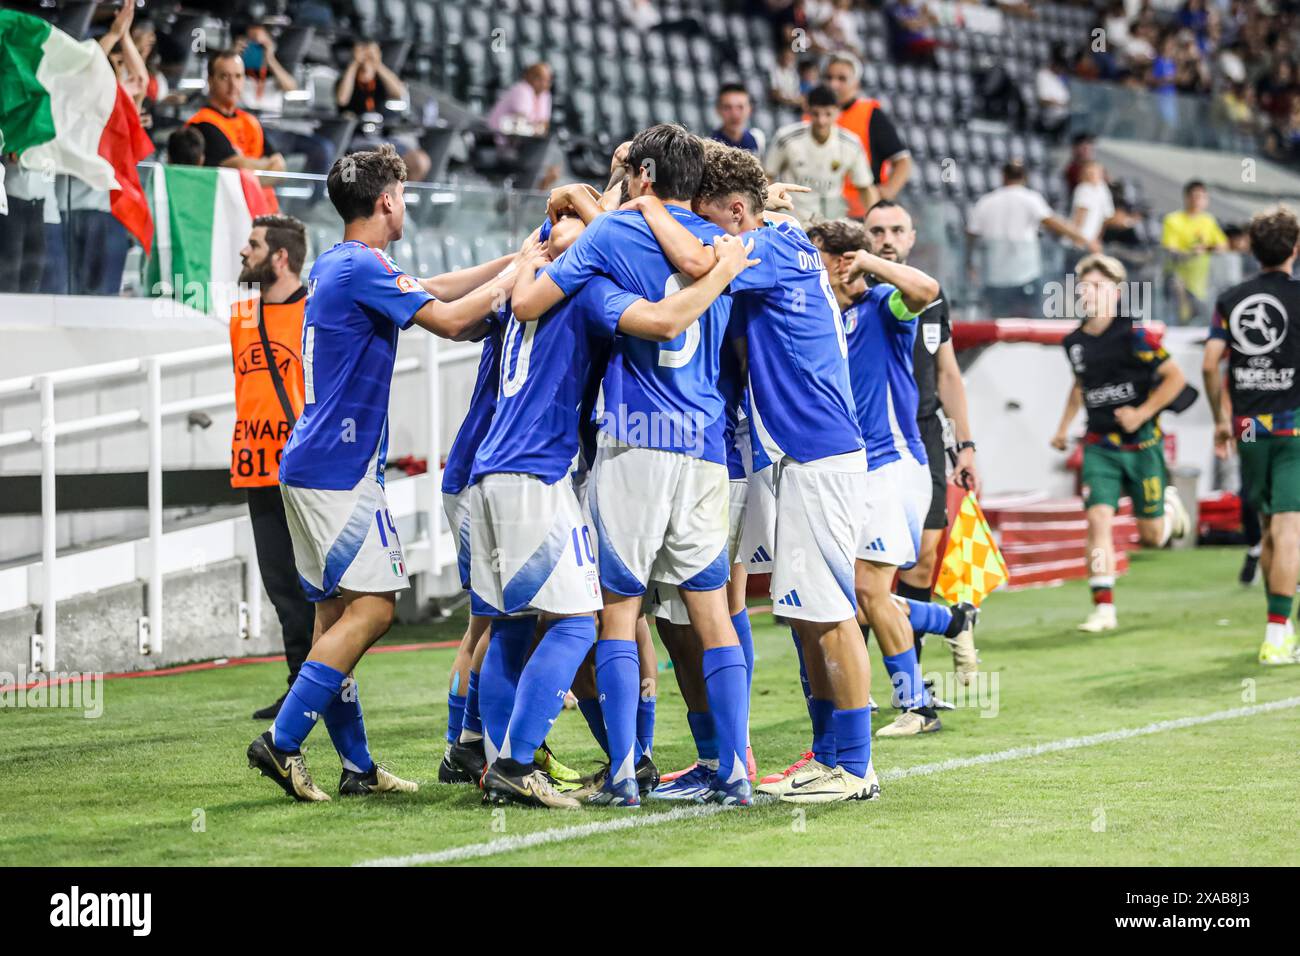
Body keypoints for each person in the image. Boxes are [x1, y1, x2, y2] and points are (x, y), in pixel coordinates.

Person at [244, 144, 520, 802]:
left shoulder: (347, 266)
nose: (408, 204)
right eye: (403, 192)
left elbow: (437, 290)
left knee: (331, 619)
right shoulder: (363, 267)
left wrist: (516, 262)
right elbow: (453, 321)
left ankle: (357, 768)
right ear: (387, 200)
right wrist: (522, 277)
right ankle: (281, 743)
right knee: (374, 610)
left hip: (312, 464)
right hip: (339, 472)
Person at [511, 125, 754, 808]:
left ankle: (624, 773)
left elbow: (531, 303)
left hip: (635, 443)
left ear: (643, 172)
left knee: (618, 611)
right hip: (706, 446)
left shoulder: (615, 234)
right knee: (711, 615)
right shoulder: (720, 244)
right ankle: (734, 770)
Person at [862, 201, 981, 687]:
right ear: (863, 237)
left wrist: (966, 444)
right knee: (864, 573)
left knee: (923, 557)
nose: (887, 238)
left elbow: (948, 372)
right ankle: (870, 685)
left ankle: (910, 680)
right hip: (867, 440)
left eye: (896, 229)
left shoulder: (931, 296)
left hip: (925, 435)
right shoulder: (851, 293)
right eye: (877, 230)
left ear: (912, 238)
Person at [1050, 254, 1189, 634]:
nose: (1089, 293)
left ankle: (1168, 511)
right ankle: (1103, 608)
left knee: (1150, 537)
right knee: (1098, 518)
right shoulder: (1074, 342)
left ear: (1117, 292)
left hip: (1143, 447)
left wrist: (1142, 413)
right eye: (1085, 286)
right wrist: (1063, 428)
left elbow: (1175, 379)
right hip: (1100, 446)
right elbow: (1081, 386)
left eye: (1098, 286)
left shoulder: (1136, 335)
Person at [1203, 206, 1300, 666]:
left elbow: (1209, 363)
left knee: (1266, 528)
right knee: (1290, 526)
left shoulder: (1230, 298)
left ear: (1252, 249)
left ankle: (1278, 626)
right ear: (1295, 248)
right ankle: (1278, 633)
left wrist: (1221, 419)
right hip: (1294, 424)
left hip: (1248, 427)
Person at [227, 215, 315, 720]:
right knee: (282, 585)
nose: (244, 251)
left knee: (319, 585)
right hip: (254, 467)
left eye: (254, 245)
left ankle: (324, 682)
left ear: (280, 257)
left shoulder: (315, 311)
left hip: (304, 470)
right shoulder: (241, 312)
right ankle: (300, 686)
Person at [966, 161, 1099, 318]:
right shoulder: (1030, 199)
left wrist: (969, 263)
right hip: (1025, 273)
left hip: (995, 274)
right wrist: (1083, 238)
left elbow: (971, 235)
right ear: (1025, 177)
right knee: (1029, 319)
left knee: (998, 319)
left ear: (1003, 176)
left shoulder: (985, 202)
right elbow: (1052, 223)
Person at [766, 84, 877, 224]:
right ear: (807, 109)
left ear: (838, 112)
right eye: (816, 113)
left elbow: (865, 187)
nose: (821, 121)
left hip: (832, 224)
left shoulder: (851, 144)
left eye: (828, 114)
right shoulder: (786, 138)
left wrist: (874, 221)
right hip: (791, 222)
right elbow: (767, 176)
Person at [824, 52, 912, 209]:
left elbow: (903, 162)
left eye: (841, 79)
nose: (833, 85)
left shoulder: (870, 114)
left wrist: (885, 194)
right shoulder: (812, 115)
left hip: (860, 208)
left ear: (856, 84)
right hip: (823, 204)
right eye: (829, 78)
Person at [337, 40, 432, 182]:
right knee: (382, 159)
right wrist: (355, 63)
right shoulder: (347, 78)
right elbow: (342, 99)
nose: (368, 57)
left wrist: (378, 65)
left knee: (420, 161)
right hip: (356, 137)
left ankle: (398, 199)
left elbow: (400, 93)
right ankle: (378, 199)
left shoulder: (380, 79)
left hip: (383, 136)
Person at [187, 50, 287, 174]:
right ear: (210, 80)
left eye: (238, 76)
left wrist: (251, 168)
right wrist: (268, 165)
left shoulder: (250, 121)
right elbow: (238, 166)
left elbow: (280, 168)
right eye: (224, 76)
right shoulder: (201, 124)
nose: (233, 84)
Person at [1162, 179, 1228, 325]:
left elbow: (1223, 245)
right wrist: (1192, 253)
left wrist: (1206, 249)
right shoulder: (1173, 220)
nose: (1199, 201)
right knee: (1181, 316)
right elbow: (1170, 249)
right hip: (1179, 279)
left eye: (1203, 197)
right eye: (1196, 196)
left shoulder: (1208, 220)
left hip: (1202, 281)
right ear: (1187, 197)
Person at [710, 84, 766, 157]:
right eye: (727, 107)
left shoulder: (757, 139)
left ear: (750, 109)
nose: (735, 114)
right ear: (718, 110)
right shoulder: (710, 146)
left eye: (740, 107)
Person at [1071, 160, 1117, 244]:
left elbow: (1106, 217)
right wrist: (1077, 240)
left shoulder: (1103, 188)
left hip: (1091, 240)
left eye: (1095, 172)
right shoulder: (1083, 189)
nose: (1092, 176)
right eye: (1089, 173)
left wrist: (1097, 239)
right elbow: (1079, 218)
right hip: (1079, 239)